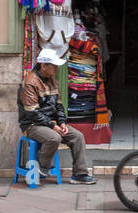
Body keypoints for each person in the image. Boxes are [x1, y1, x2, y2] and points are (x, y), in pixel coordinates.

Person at [17, 48, 97, 185]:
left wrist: (62, 122)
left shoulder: (52, 80)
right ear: (43, 65)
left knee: (77, 136)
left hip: (51, 123)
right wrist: (53, 125)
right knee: (54, 137)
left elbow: (59, 106)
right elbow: (32, 113)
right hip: (32, 124)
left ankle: (80, 174)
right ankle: (42, 166)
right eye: (54, 65)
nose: (57, 68)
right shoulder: (30, 82)